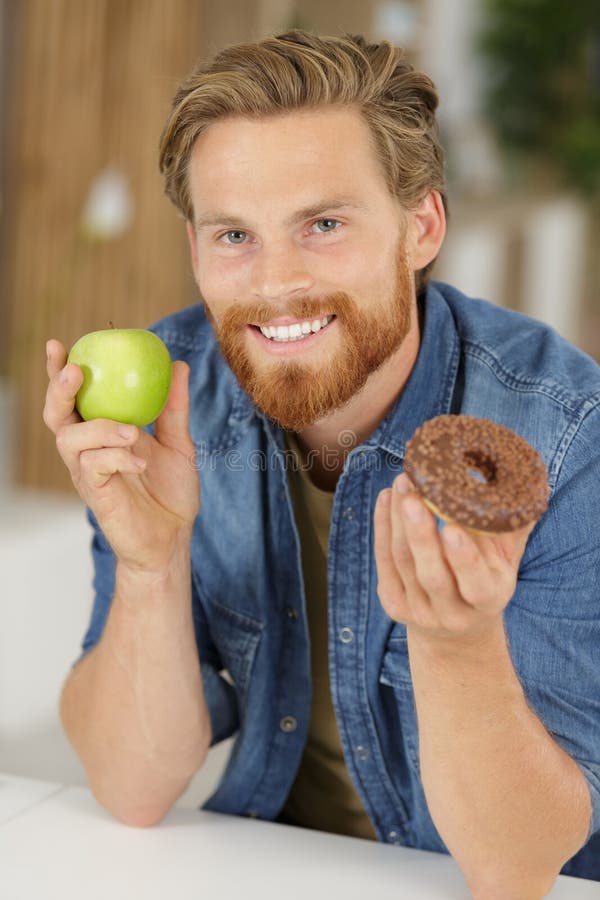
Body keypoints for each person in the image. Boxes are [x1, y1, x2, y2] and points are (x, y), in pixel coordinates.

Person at [43, 30, 600, 896]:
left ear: (421, 227)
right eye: (235, 234)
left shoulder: (563, 437)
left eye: (325, 224)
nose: (276, 283)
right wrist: (151, 566)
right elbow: (131, 786)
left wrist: (457, 643)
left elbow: (518, 867)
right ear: (195, 250)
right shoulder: (168, 405)